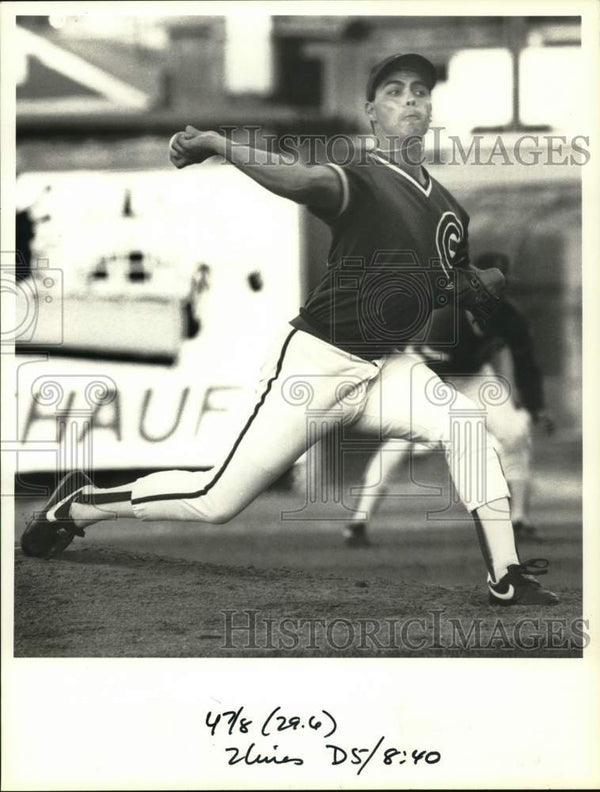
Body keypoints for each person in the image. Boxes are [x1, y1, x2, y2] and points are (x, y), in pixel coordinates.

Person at [21, 53, 558, 606]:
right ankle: (81, 504)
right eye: (394, 91)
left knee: (465, 425)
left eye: (419, 91)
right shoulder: (362, 177)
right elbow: (300, 178)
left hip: (384, 367)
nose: (410, 99)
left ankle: (506, 575)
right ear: (371, 112)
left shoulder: (451, 210)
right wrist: (220, 145)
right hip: (317, 364)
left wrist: (476, 283)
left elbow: (454, 277)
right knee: (216, 500)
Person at [344, 252, 555, 548]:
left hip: (473, 376)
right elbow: (431, 369)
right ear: (472, 282)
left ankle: (519, 519)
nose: (492, 294)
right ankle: (358, 522)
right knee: (400, 444)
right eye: (485, 286)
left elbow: (526, 363)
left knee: (515, 431)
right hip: (428, 375)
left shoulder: (510, 318)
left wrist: (536, 407)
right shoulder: (445, 317)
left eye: (498, 287)